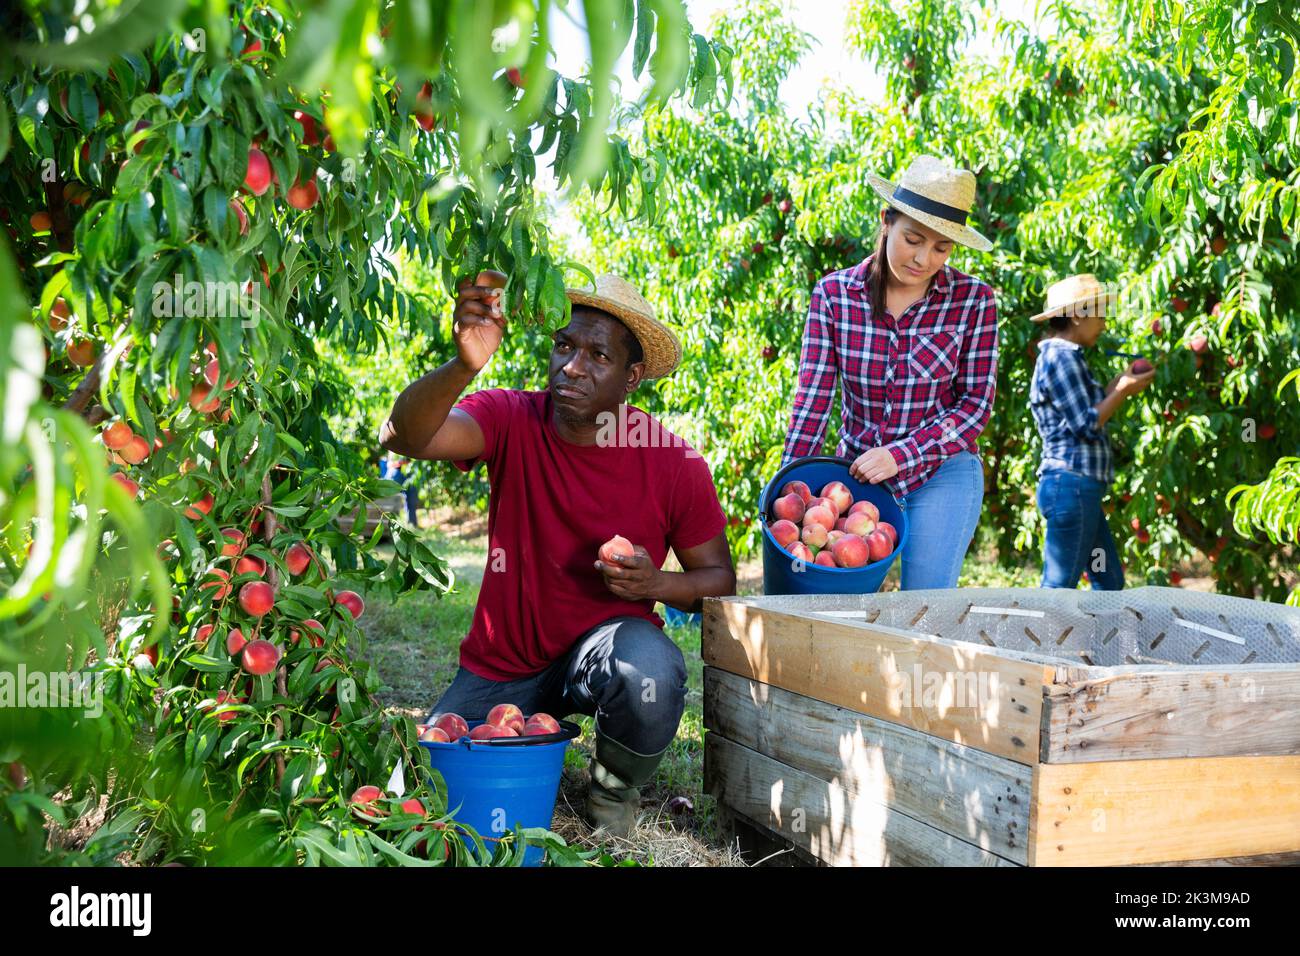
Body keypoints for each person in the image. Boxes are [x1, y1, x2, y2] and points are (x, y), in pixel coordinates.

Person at [378, 273, 735, 837]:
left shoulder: (672, 462)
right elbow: (402, 436)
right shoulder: (509, 416)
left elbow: (718, 581)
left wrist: (652, 586)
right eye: (564, 346)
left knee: (655, 673)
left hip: (607, 650)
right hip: (504, 661)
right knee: (428, 781)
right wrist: (464, 366)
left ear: (632, 377)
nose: (572, 366)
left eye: (598, 355)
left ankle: (613, 796)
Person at [782, 154, 999, 590]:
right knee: (836, 600)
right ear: (886, 220)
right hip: (856, 472)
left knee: (926, 605)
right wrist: (789, 489)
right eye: (913, 239)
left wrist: (899, 455)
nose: (923, 258)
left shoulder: (974, 301)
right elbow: (814, 400)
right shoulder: (835, 295)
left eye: (941, 248)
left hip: (941, 470)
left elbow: (975, 406)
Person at [1028, 274, 1155, 589]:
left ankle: (1103, 640)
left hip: (1078, 487)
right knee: (1059, 586)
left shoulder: (1068, 357)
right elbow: (1085, 423)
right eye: (1098, 313)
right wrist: (1123, 391)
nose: (1103, 323)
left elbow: (1088, 408)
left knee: (1109, 581)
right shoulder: (1060, 358)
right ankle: (1037, 639)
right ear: (1076, 315)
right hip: (1071, 483)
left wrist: (1120, 383)